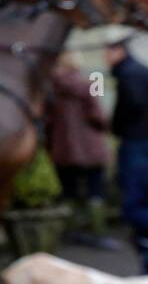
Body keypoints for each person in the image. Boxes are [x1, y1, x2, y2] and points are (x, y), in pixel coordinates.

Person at [46, 54, 116, 250]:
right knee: (95, 191)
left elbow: (47, 119)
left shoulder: (52, 87)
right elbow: (98, 116)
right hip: (90, 147)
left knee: (69, 192)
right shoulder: (88, 83)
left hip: (63, 149)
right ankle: (97, 234)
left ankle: (72, 232)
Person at [108, 37, 148, 271]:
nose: (105, 57)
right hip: (136, 140)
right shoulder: (135, 70)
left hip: (134, 141)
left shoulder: (126, 74)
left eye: (108, 51)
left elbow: (95, 97)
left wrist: (112, 125)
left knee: (133, 198)